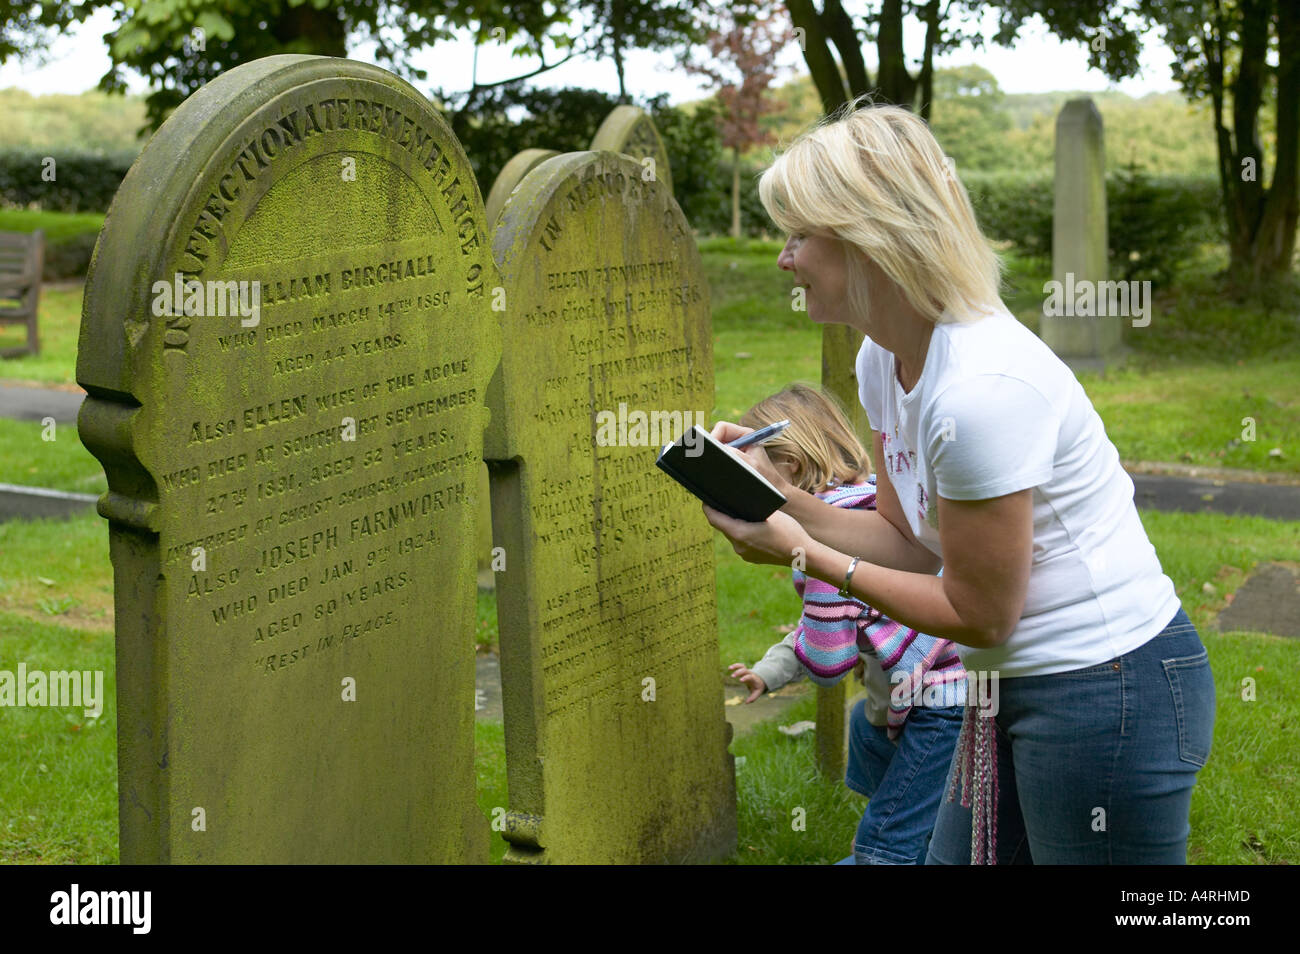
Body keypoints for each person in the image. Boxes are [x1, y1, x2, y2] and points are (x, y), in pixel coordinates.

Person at [703, 100, 1215, 865]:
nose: (783, 258)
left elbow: (979, 615)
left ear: (869, 240)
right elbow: (907, 542)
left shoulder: (980, 393)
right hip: (1006, 686)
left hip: (1106, 689)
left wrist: (804, 557)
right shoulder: (884, 357)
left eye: (799, 236)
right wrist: (776, 501)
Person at [727, 384, 965, 865]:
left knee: (882, 847)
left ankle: (894, 845)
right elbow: (826, 627)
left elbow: (830, 663)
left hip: (944, 704)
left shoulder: (819, 541)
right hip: (952, 683)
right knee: (865, 728)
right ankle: (915, 830)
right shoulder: (874, 503)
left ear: (787, 468)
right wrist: (769, 674)